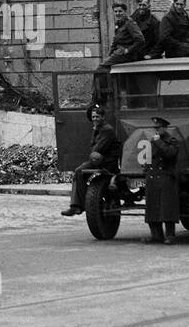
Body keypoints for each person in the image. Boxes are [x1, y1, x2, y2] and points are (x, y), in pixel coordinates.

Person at [61, 103, 134, 216]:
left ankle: (78, 205)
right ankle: (78, 205)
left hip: (106, 162)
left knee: (79, 172)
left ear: (103, 117)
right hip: (101, 161)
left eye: (97, 117)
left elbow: (98, 148)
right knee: (79, 172)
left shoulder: (106, 130)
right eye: (93, 117)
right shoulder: (99, 129)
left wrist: (94, 152)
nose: (94, 119)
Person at [141, 116, 180, 244]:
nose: (156, 130)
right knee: (153, 208)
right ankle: (156, 235)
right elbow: (150, 156)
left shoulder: (171, 141)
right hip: (153, 176)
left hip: (166, 177)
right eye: (155, 128)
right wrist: (146, 168)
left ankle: (170, 235)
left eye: (158, 128)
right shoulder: (153, 140)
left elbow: (170, 153)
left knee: (167, 208)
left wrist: (159, 142)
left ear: (164, 128)